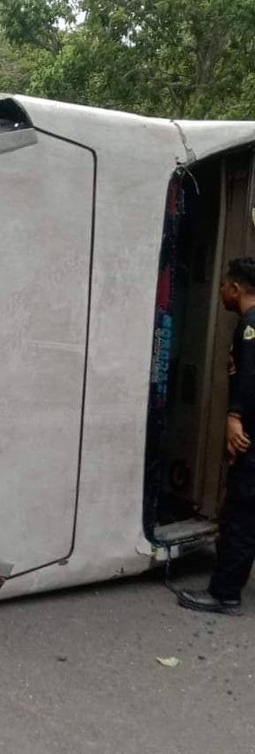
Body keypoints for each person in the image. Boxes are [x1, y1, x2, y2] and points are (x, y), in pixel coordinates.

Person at [178, 257, 255, 614]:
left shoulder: (251, 325)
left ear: (236, 289)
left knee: (239, 515)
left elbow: (250, 375)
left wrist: (235, 416)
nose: (222, 290)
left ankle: (224, 593)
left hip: (250, 438)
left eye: (224, 285)